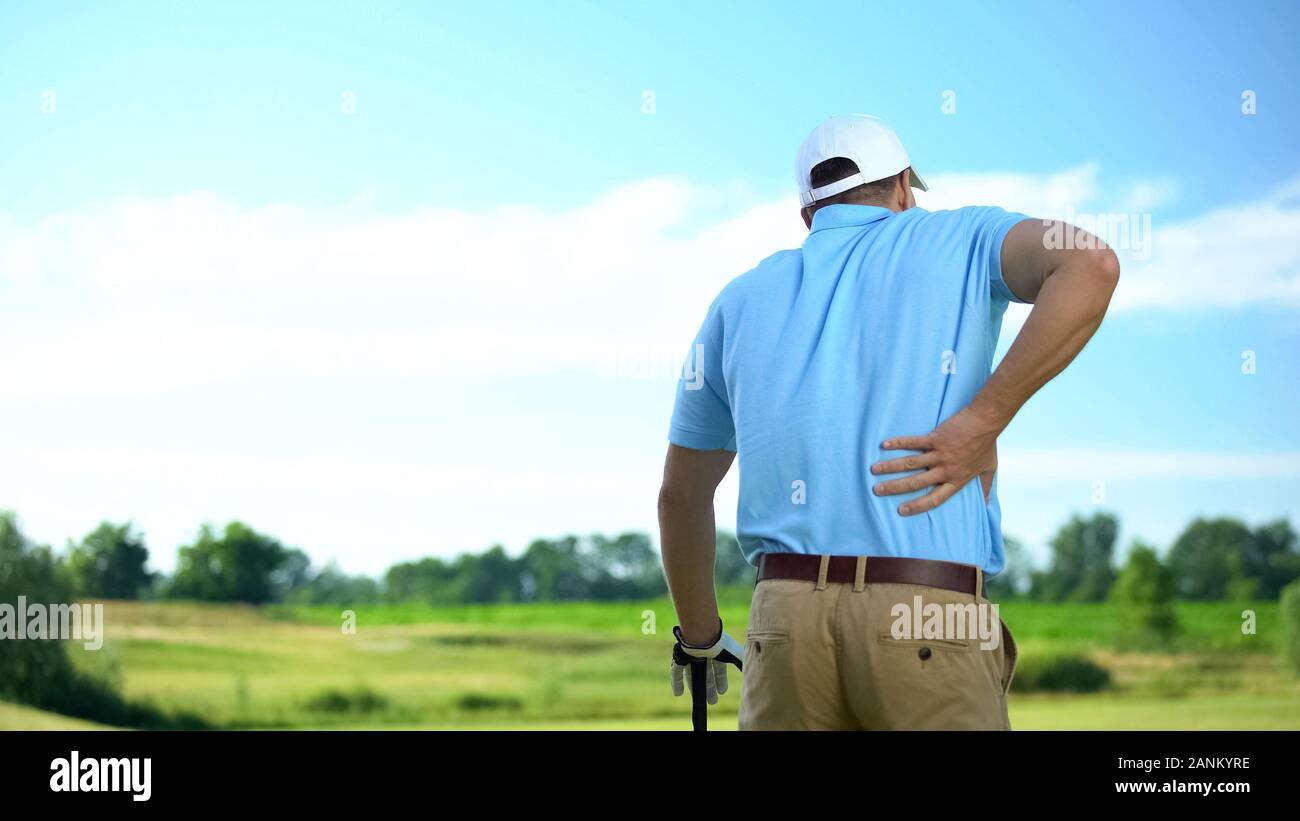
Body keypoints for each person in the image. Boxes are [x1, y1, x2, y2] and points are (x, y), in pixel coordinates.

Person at [660, 114, 1119, 729]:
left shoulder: (737, 301)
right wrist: (984, 421)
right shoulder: (962, 237)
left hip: (783, 623)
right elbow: (1093, 264)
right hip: (930, 614)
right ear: (903, 187)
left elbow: (681, 496)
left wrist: (700, 636)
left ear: (808, 215)